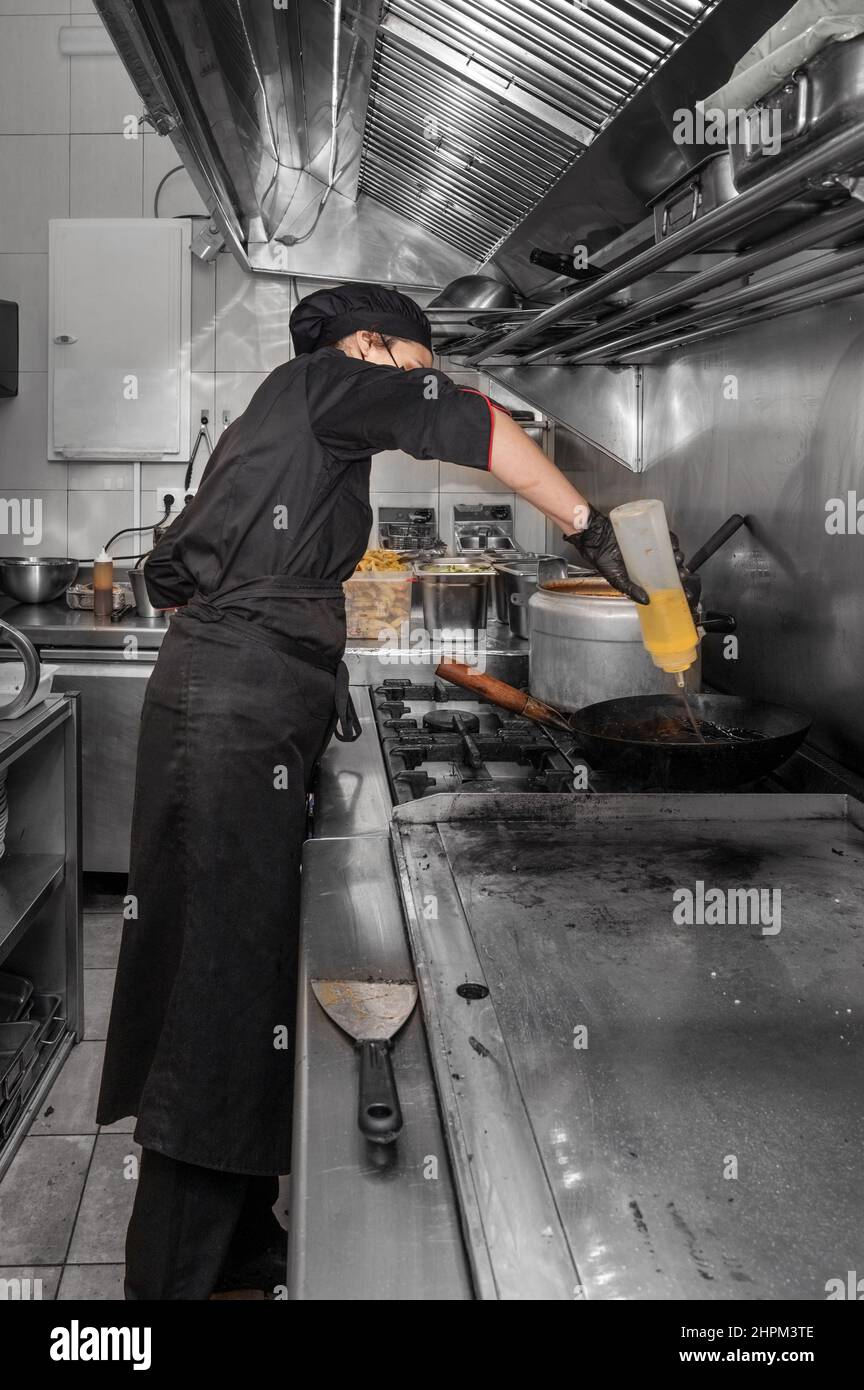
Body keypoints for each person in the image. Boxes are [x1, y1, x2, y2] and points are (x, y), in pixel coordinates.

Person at [95, 282, 651, 1300]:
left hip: (246, 695)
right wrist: (590, 524)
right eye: (411, 362)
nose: (413, 382)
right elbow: (465, 419)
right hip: (231, 708)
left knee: (247, 974)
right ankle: (172, 1285)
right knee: (213, 991)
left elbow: (277, 569)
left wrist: (318, 666)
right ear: (367, 346)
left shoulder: (298, 409)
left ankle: (240, 1251)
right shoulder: (327, 381)